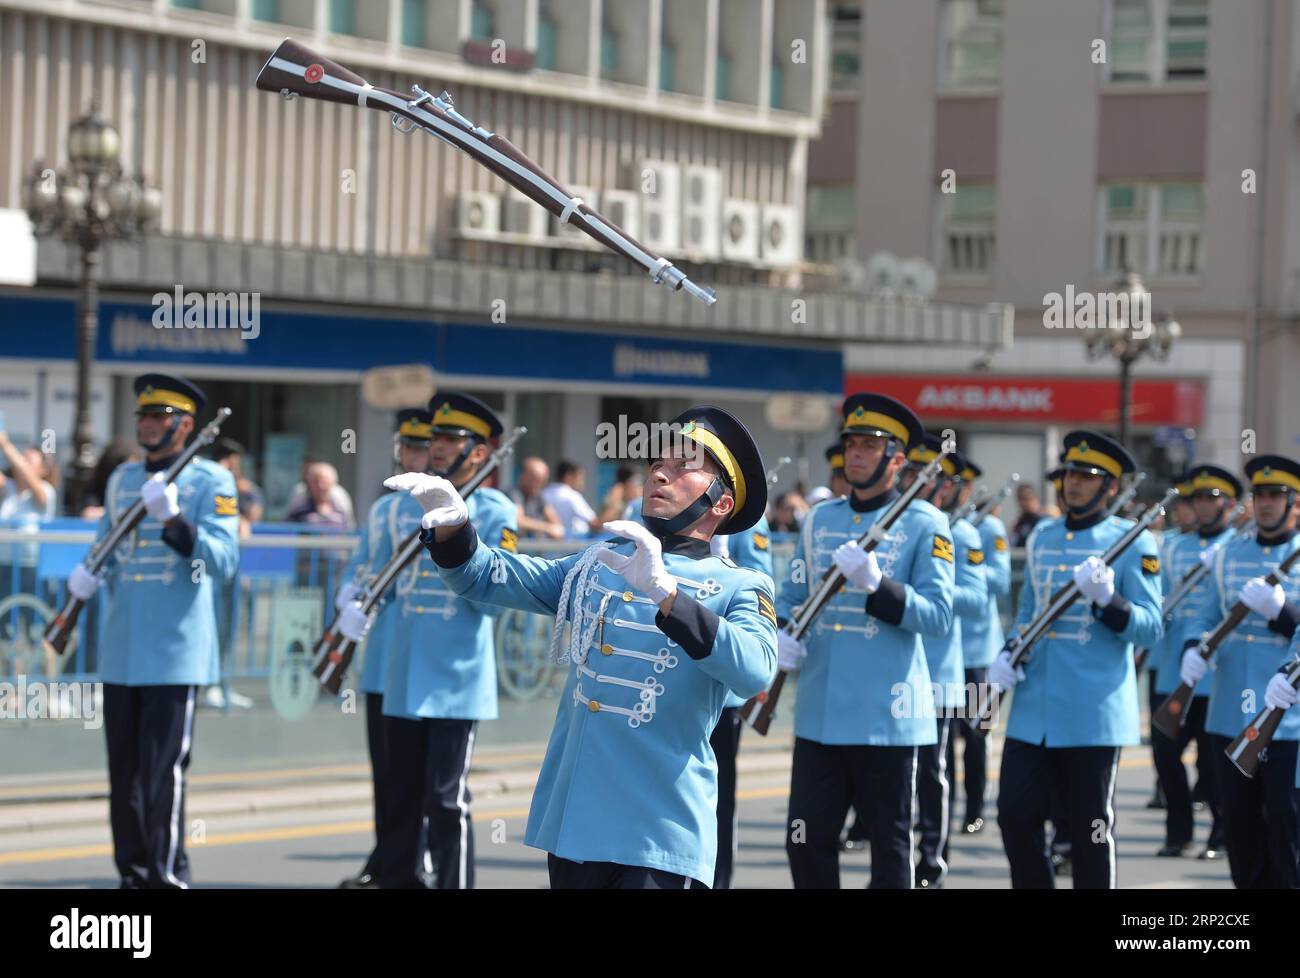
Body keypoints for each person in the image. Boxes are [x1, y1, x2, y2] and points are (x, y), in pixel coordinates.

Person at [398, 405, 775, 888]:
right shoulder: (597, 564)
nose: (660, 471)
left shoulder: (739, 585)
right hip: (579, 822)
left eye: (684, 466)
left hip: (660, 829)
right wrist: (453, 528)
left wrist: (670, 597)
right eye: (658, 462)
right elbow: (492, 578)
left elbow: (756, 669)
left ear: (721, 503)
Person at [64, 373, 239, 888]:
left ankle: (165, 874)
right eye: (142, 415)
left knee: (164, 774)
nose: (146, 424)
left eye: (158, 416)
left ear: (185, 426)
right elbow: (106, 546)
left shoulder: (211, 481)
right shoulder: (122, 479)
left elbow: (225, 560)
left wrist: (177, 523)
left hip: (175, 650)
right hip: (122, 647)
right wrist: (87, 574)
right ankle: (133, 873)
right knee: (124, 777)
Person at [778, 394, 954, 889]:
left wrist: (882, 588)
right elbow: (793, 591)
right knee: (806, 839)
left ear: (897, 460)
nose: (855, 454)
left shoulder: (925, 524)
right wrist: (781, 630)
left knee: (890, 844)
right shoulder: (819, 519)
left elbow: (939, 616)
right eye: (851, 444)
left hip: (888, 717)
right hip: (822, 712)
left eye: (869, 446)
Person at [993, 430, 1163, 889]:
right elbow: (1028, 609)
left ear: (1110, 486)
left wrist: (1110, 602)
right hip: (1035, 710)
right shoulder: (1045, 537)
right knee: (1014, 815)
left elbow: (1151, 626)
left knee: (1091, 831)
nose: (1074, 483)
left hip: (1092, 711)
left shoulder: (1133, 543)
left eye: (1087, 477)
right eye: (1069, 473)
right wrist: (1009, 649)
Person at [369, 393, 517, 888]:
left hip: (456, 676)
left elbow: (495, 597)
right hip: (404, 670)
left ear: (478, 453)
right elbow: (381, 581)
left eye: (452, 438)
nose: (437, 447)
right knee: (399, 796)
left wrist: (456, 534)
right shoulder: (402, 504)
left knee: (446, 800)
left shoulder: (495, 509)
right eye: (435, 436)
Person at [1180, 453, 1300, 888]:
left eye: (1276, 495)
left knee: (1286, 826)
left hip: (1288, 718)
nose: (1266, 503)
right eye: (1260, 494)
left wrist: (1283, 612)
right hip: (1230, 712)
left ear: (1293, 501)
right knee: (1240, 825)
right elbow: (1204, 615)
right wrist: (1193, 647)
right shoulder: (1229, 553)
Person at [334, 408, 437, 889]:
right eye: (409, 447)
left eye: (423, 448)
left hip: (424, 659)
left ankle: (420, 863)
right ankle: (388, 860)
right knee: (389, 776)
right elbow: (363, 564)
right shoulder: (382, 509)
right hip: (382, 660)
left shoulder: (442, 504)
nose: (414, 455)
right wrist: (350, 595)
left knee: (429, 781)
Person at [900, 439, 986, 889]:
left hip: (938, 670)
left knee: (933, 769)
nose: (920, 482)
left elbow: (976, 600)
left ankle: (932, 859)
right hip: (895, 669)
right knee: (898, 771)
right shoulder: (895, 526)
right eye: (912, 472)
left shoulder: (962, 533)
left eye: (930, 476)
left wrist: (928, 589)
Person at [1150, 464, 1237, 860]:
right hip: (1174, 669)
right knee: (1165, 754)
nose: (1202, 506)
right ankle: (1178, 831)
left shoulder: (1236, 547)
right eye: (1197, 499)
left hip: (1218, 675)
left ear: (1228, 505)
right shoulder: (1173, 547)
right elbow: (1157, 596)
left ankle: (1220, 833)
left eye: (1210, 499)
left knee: (1214, 761)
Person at [707, 508, 774, 889]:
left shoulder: (747, 521)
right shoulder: (645, 511)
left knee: (718, 795)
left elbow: (761, 583)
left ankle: (718, 880)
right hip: (661, 678)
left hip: (724, 683)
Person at [949, 457, 1011, 839]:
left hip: (979, 651)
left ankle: (974, 808)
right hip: (945, 651)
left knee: (976, 735)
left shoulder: (988, 528)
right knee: (938, 743)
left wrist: (961, 569)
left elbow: (1001, 581)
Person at [0, 428, 58, 599]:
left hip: (31, 568)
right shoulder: (8, 489)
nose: (21, 463)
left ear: (43, 470)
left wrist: (5, 444)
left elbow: (27, 475)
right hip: (4, 566)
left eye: (28, 460)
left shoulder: (46, 491)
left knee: (32, 621)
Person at [287, 456, 355, 527]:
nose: (321, 486)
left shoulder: (340, 503)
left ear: (333, 483)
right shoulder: (300, 508)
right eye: (316, 482)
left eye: (325, 481)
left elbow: (350, 529)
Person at [511, 457, 565, 540]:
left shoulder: (539, 496)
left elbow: (556, 524)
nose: (537, 483)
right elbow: (519, 521)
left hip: (535, 549)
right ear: (523, 475)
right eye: (534, 479)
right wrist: (547, 528)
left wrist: (555, 529)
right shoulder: (514, 493)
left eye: (542, 480)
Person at [543, 460, 598, 538]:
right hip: (569, 546)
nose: (582, 482)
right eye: (580, 477)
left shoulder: (543, 493)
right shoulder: (572, 496)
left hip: (544, 546)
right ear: (568, 476)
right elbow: (594, 523)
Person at [1009, 481, 1046, 547]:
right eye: (1019, 498)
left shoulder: (1043, 521)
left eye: (1025, 498)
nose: (1021, 503)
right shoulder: (1021, 521)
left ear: (1034, 498)